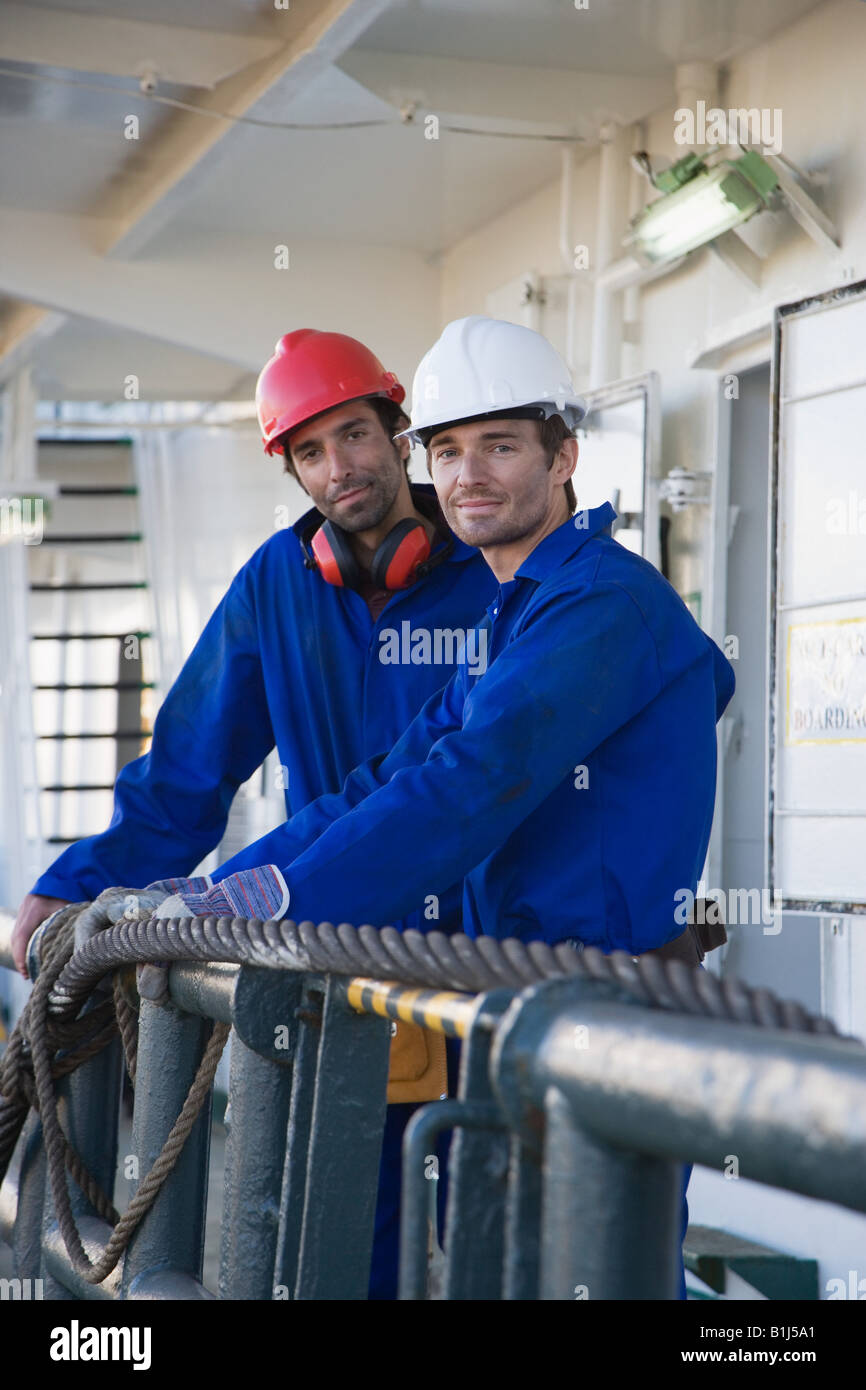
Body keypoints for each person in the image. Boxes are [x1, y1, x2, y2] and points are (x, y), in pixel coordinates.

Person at [162, 315, 737, 1298]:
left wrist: (285, 905)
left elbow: (472, 782)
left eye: (499, 446)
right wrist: (229, 886)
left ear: (562, 455)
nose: (468, 474)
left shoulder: (600, 604)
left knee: (591, 1276)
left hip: (602, 1016)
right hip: (517, 1014)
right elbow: (392, 771)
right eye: (446, 450)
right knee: (509, 1264)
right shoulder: (516, 613)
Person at [11, 327, 498, 1298]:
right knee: (341, 1235)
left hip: (492, 952)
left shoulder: (492, 567)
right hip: (339, 958)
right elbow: (184, 777)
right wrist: (66, 888)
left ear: (398, 431)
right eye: (308, 452)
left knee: (498, 1233)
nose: (338, 468)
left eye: (354, 435)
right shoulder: (272, 590)